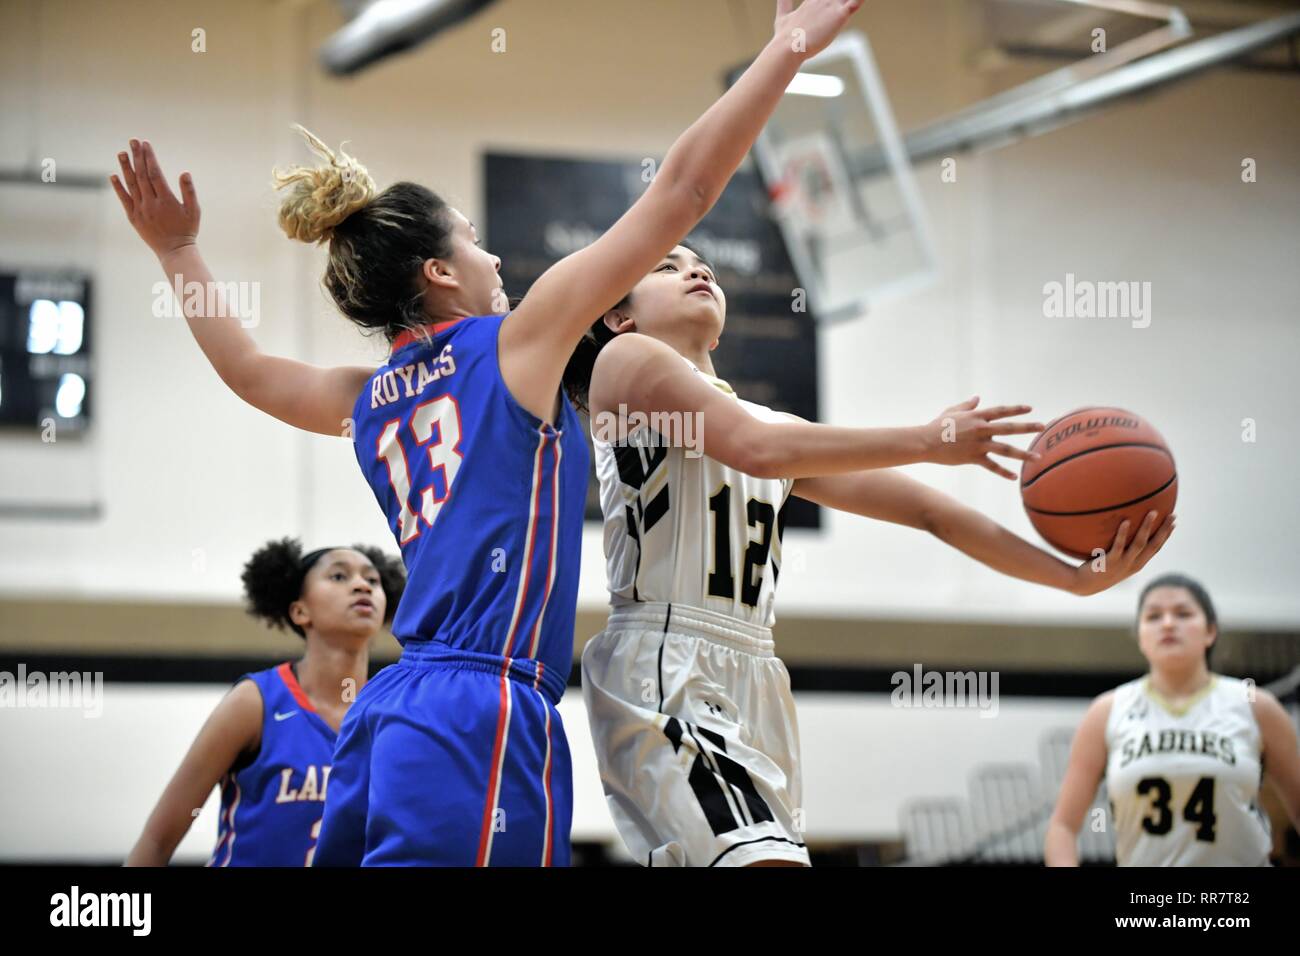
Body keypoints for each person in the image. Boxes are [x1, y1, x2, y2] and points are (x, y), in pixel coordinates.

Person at [112, 0, 869, 864]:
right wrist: (787, 47)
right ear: (438, 272)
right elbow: (682, 191)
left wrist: (179, 253)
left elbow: (246, 371)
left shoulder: (367, 395)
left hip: (389, 707)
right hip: (482, 703)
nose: (499, 260)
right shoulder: (517, 345)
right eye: (475, 244)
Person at [568, 242, 1176, 866]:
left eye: (706, 267)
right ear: (621, 316)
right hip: (666, 665)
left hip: (755, 674)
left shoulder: (767, 424)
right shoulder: (626, 360)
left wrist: (1076, 579)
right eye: (667, 266)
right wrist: (928, 437)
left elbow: (929, 513)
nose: (697, 271)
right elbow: (757, 449)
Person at [125, 540, 403, 866]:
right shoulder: (254, 702)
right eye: (339, 576)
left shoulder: (391, 712)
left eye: (372, 580)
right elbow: (158, 840)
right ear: (300, 611)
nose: (361, 585)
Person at [1045, 573, 1300, 866]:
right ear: (1140, 636)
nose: (1167, 623)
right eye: (1153, 616)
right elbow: (1062, 826)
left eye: (1183, 613)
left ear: (1210, 632)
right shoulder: (1108, 710)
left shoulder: (1254, 705)